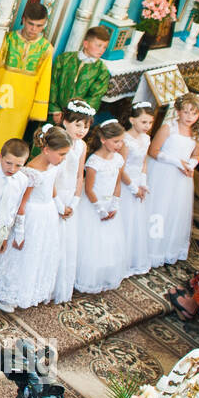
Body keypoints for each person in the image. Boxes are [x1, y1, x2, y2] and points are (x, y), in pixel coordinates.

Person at [0, 125, 69, 313]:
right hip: (32, 215)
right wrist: (20, 231)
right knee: (19, 253)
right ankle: (3, 291)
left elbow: (52, 187)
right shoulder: (31, 171)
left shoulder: (53, 166)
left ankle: (27, 289)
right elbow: (21, 204)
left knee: (38, 253)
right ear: (47, 150)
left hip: (47, 213)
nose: (63, 158)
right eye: (62, 154)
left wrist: (59, 206)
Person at [0, 2, 54, 165]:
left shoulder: (46, 48)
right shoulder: (8, 39)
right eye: (31, 24)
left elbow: (44, 81)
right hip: (2, 98)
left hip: (23, 105)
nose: (33, 29)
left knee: (12, 140)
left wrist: (37, 109)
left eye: (39, 26)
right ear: (23, 20)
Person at [148, 93, 199, 268]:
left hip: (180, 178)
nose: (189, 117)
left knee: (172, 210)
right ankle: (148, 245)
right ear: (178, 111)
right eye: (186, 112)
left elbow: (196, 154)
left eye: (194, 113)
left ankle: (162, 246)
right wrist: (176, 162)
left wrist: (191, 165)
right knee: (157, 207)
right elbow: (153, 151)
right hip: (161, 171)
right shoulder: (168, 127)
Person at [76, 120, 129, 294]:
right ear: (103, 139)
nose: (119, 145)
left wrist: (115, 203)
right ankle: (83, 274)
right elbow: (89, 188)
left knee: (108, 242)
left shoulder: (119, 159)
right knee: (90, 241)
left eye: (121, 141)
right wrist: (100, 209)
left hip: (109, 205)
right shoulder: (94, 162)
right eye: (116, 141)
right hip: (93, 206)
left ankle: (102, 273)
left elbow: (117, 184)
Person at [52, 100, 91, 303]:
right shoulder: (57, 142)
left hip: (70, 197)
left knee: (65, 244)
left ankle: (57, 286)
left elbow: (78, 175)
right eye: (77, 124)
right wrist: (58, 203)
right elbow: (51, 175)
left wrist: (75, 201)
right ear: (65, 121)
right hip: (54, 195)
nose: (82, 130)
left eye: (85, 126)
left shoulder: (82, 146)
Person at [0, 138, 30, 282]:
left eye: (18, 165)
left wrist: (6, 235)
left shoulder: (22, 180)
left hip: (1, 228)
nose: (12, 169)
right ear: (0, 156)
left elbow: (14, 208)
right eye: (8, 163)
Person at [119, 103, 154, 277]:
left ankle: (127, 258)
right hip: (125, 184)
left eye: (150, 123)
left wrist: (143, 182)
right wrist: (133, 187)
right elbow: (121, 167)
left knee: (134, 221)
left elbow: (144, 162)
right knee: (122, 219)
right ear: (132, 120)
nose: (147, 126)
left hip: (137, 181)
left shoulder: (146, 139)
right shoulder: (125, 140)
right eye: (144, 122)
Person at [49, 27, 112, 124]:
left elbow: (94, 98)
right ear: (86, 44)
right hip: (53, 113)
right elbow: (52, 83)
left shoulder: (102, 71)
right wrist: (55, 110)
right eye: (98, 45)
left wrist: (72, 117)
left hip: (76, 120)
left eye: (104, 47)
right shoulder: (64, 59)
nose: (102, 50)